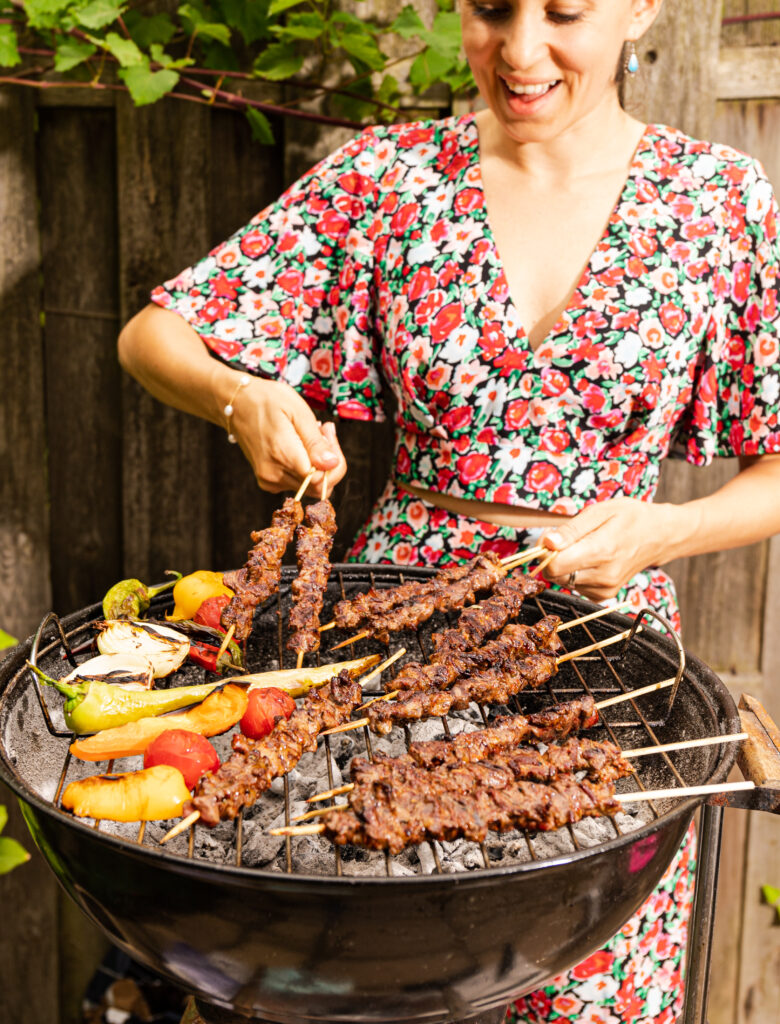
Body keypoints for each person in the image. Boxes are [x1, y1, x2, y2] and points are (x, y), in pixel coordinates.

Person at [116, 0, 780, 1020]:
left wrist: (668, 529)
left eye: (564, 11)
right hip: (394, 644)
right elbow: (151, 338)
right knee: (379, 952)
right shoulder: (389, 178)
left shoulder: (718, 200)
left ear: (642, 5)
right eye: (488, 8)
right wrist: (242, 397)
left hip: (606, 654)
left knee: (588, 983)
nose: (519, 50)